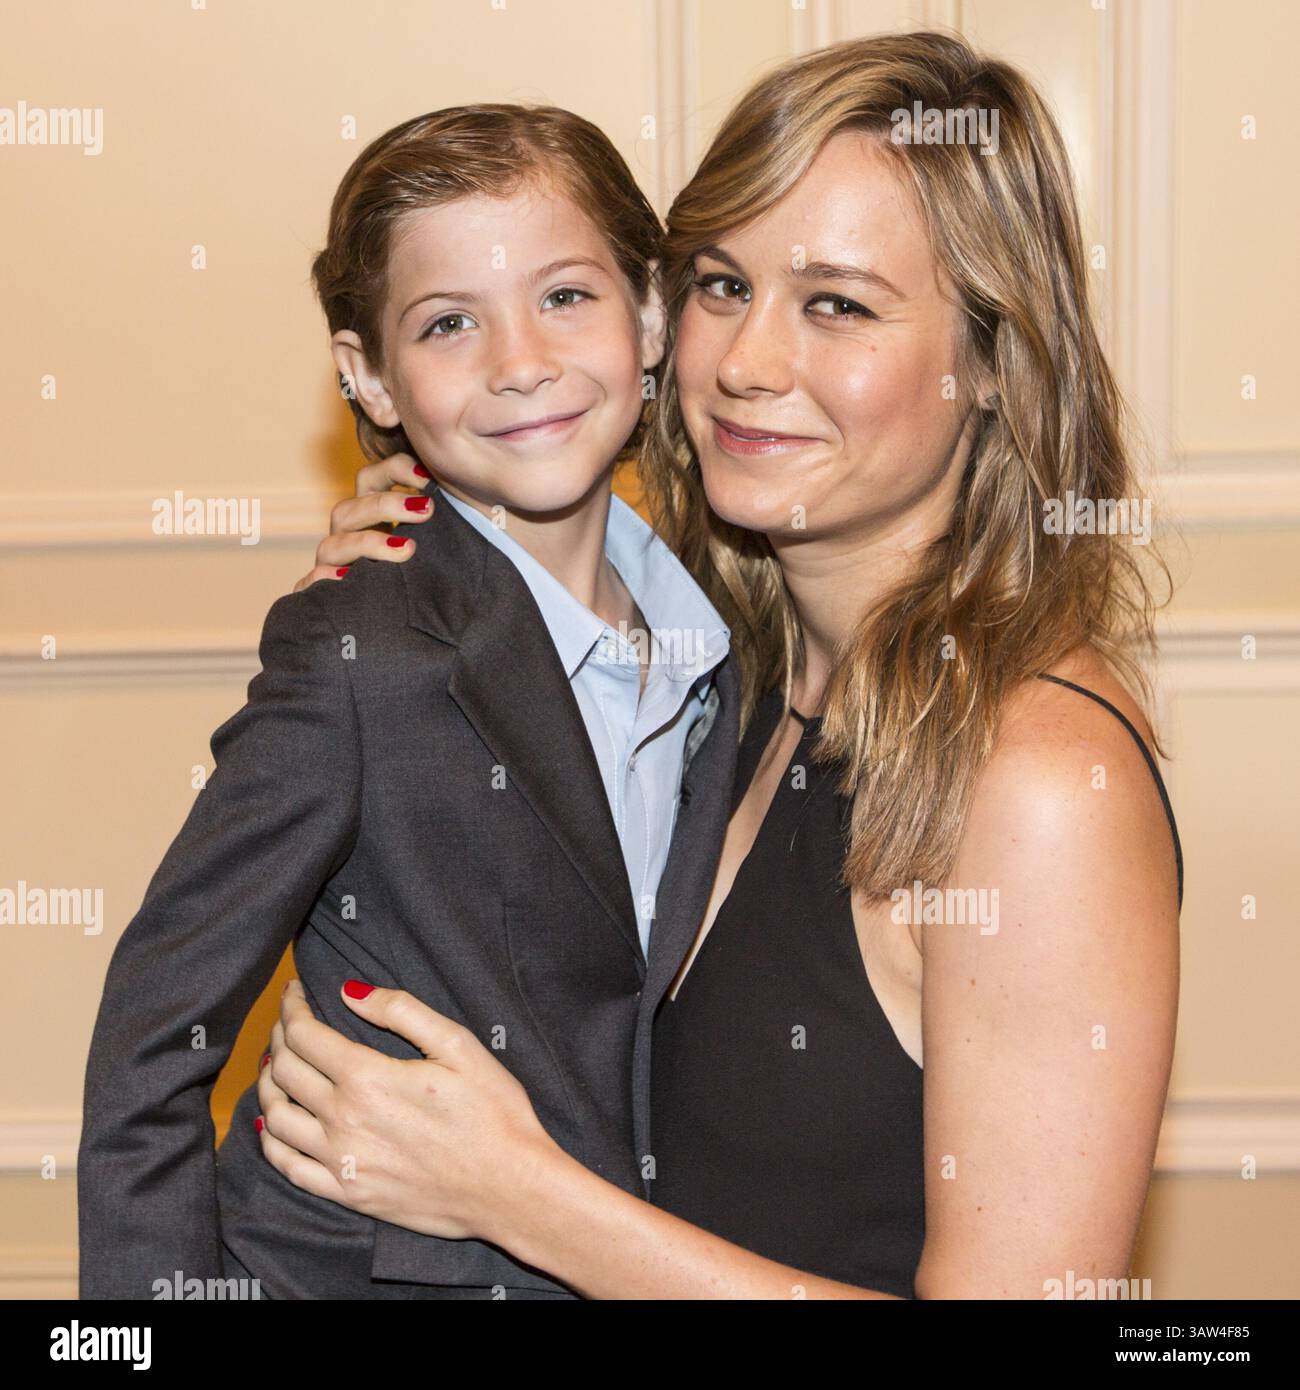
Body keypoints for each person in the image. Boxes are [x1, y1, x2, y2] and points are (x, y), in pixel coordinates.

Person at [260, 32, 1182, 1299]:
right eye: (721, 284)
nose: (747, 364)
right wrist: (418, 560)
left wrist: (519, 1196)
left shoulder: (1036, 784)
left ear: (989, 360)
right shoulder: (714, 672)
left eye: (838, 304)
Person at [76, 103, 736, 1299]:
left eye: (565, 297)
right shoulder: (358, 643)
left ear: (649, 314)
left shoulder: (732, 647)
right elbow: (148, 1039)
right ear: (368, 376)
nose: (518, 360)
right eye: (447, 324)